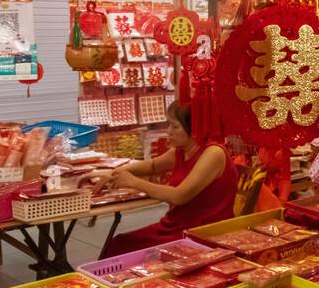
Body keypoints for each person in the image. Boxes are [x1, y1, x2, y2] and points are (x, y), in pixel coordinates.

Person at [97, 102, 239, 258]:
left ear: (194, 130)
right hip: (174, 225)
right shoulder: (182, 150)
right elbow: (153, 166)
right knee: (120, 243)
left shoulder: (213, 153)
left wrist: (134, 182)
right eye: (169, 125)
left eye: (175, 127)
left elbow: (179, 196)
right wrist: (117, 172)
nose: (169, 132)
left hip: (202, 233)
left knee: (125, 250)